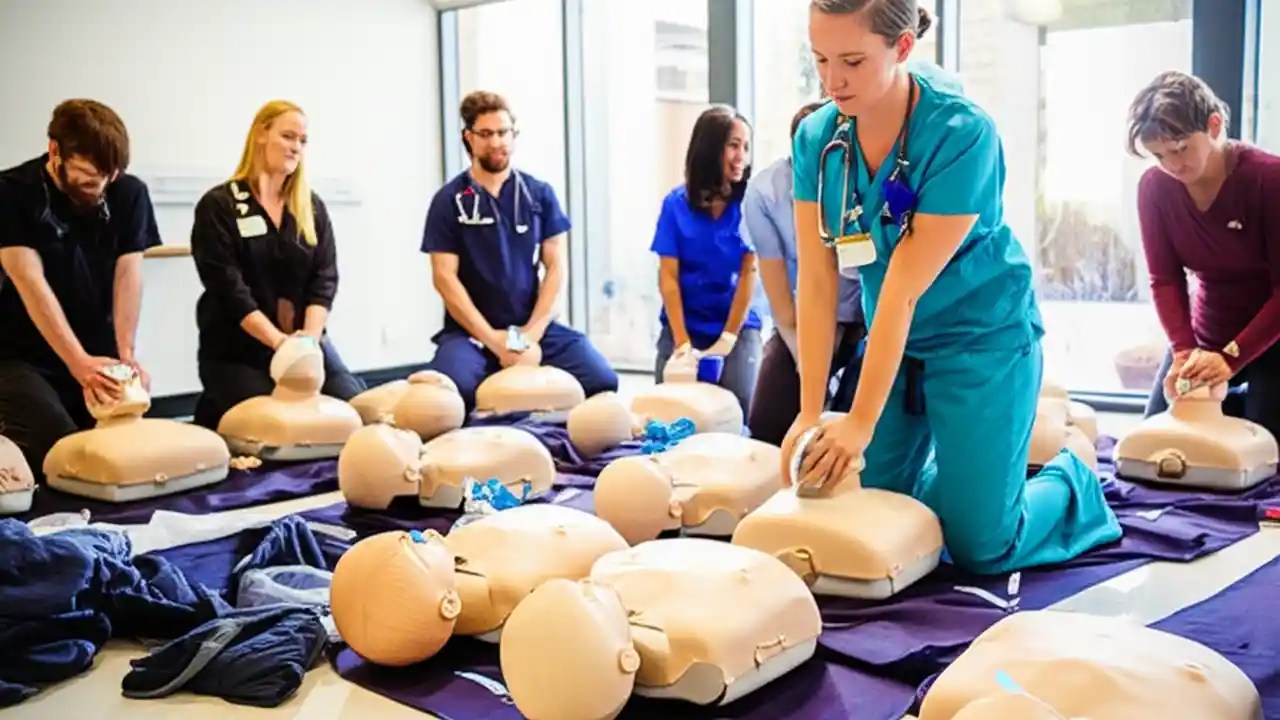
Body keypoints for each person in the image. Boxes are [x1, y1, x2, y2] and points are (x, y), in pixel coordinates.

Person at [784, 0, 1121, 575]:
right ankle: (965, 476)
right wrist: (810, 413)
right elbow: (815, 284)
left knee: (980, 546)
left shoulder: (963, 136)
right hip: (897, 346)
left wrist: (859, 423)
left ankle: (1071, 485)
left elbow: (900, 291)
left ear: (903, 49)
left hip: (981, 340)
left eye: (852, 61)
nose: (832, 80)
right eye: (819, 59)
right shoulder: (819, 138)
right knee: (870, 507)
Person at [422, 91, 618, 411]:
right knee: (452, 393)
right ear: (468, 138)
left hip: (529, 328)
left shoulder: (537, 194)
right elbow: (444, 278)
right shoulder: (449, 200)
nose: (497, 142)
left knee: (600, 379)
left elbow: (556, 268)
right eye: (486, 134)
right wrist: (492, 339)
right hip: (471, 332)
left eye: (504, 132)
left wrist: (530, 336)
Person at [0, 99, 160, 473]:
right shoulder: (11, 192)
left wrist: (125, 355)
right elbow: (28, 279)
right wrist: (78, 362)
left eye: (109, 175)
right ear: (55, 151)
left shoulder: (129, 192)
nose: (100, 186)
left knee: (117, 452)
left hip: (95, 349)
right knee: (59, 448)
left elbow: (128, 275)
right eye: (89, 176)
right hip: (19, 355)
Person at [189, 100, 365, 429]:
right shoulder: (219, 206)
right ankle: (215, 408)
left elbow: (324, 279)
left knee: (354, 418)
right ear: (260, 134)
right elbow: (229, 289)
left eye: (302, 140)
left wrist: (308, 343)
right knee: (280, 427)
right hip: (239, 352)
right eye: (288, 136)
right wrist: (279, 344)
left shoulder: (310, 207)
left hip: (304, 346)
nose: (296, 147)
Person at [1128, 71, 1280, 439]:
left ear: (1214, 126)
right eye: (1159, 155)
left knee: (1264, 448)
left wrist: (1230, 358)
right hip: (1209, 328)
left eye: (1179, 148)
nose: (1172, 165)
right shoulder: (1155, 188)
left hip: (1274, 335)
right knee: (1158, 440)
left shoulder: (1269, 180)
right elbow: (1164, 279)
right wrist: (1183, 350)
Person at [744, 100, 867, 445]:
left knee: (849, 420)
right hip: (807, 316)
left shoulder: (866, 181)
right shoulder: (766, 193)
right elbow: (781, 300)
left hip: (872, 315)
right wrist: (807, 362)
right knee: (768, 420)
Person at [651, 105, 762, 415]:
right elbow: (668, 279)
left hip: (735, 325)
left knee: (739, 405)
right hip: (685, 322)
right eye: (733, 145)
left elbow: (748, 273)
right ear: (710, 148)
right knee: (666, 408)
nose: (742, 156)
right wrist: (682, 342)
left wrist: (728, 337)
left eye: (746, 147)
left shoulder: (750, 203)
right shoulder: (675, 205)